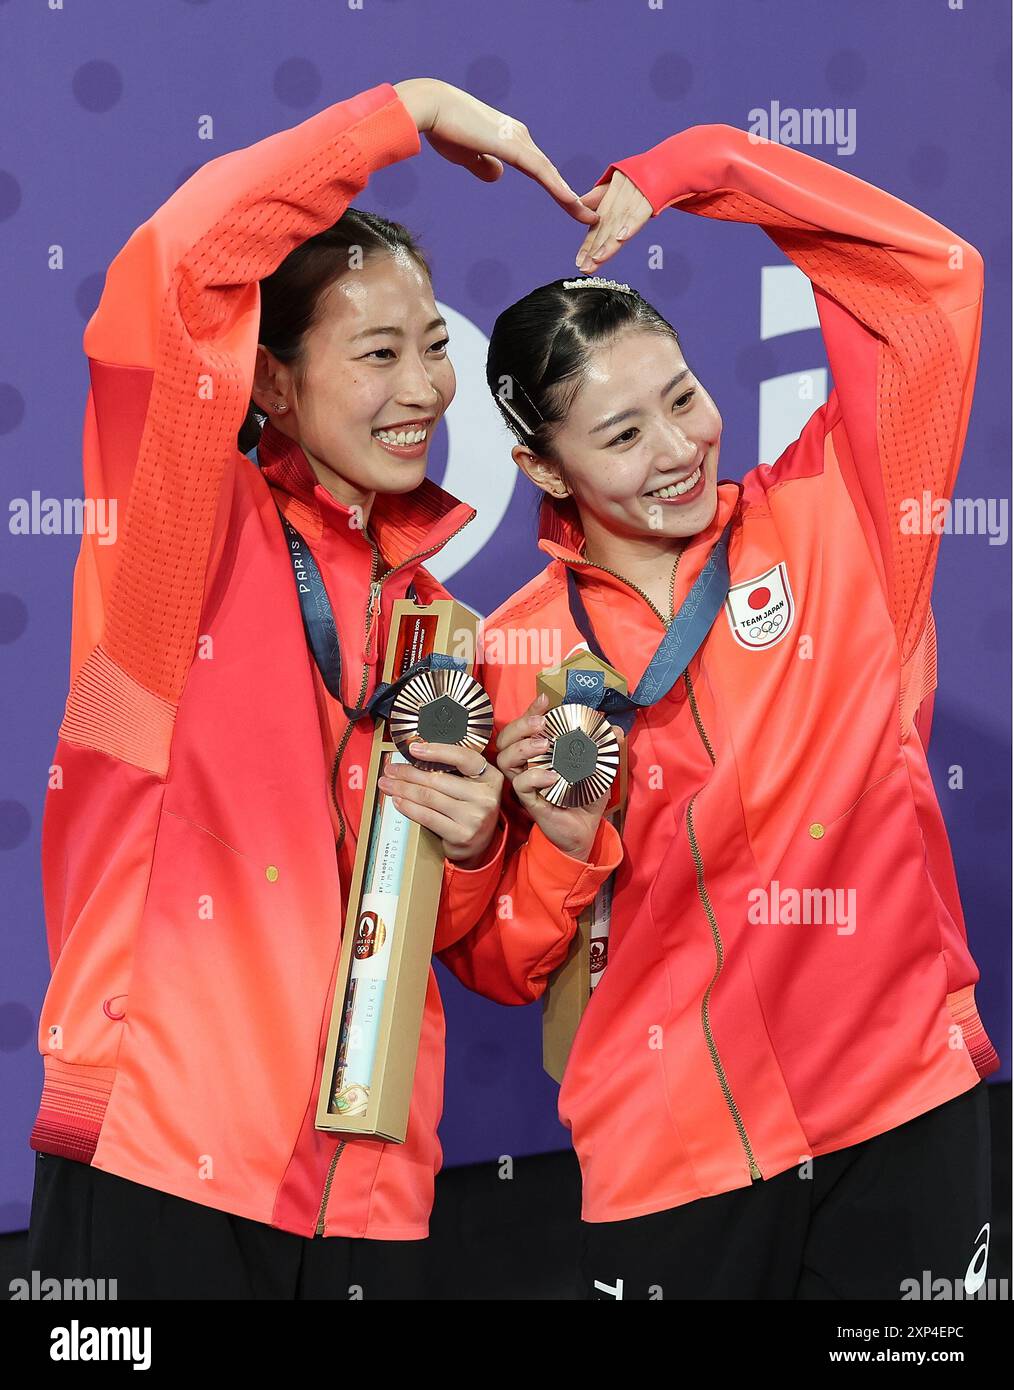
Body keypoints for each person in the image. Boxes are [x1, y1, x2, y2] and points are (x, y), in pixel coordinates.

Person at [26, 77, 621, 1300]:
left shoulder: (436, 623)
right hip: (163, 1154)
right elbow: (177, 271)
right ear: (273, 385)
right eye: (380, 351)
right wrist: (404, 111)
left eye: (435, 347)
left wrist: (476, 855)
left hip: (372, 1195)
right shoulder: (178, 535)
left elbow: (465, 950)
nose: (426, 387)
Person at [443, 122, 999, 1299]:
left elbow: (936, 285)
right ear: (544, 471)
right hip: (671, 1161)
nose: (680, 448)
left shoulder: (836, 511)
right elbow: (494, 964)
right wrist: (551, 840)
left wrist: (702, 169)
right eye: (622, 433)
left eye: (684, 397)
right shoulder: (510, 653)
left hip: (898, 1111)